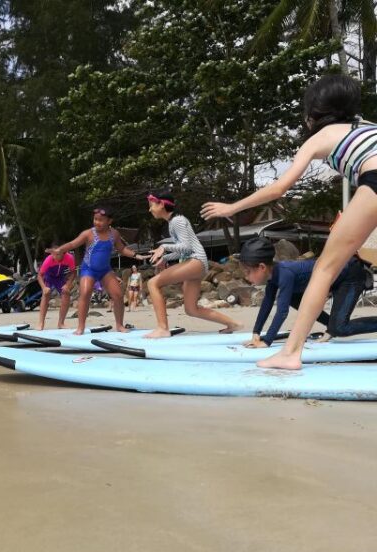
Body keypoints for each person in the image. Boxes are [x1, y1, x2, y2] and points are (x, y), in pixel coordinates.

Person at [201, 74, 377, 369]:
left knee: (325, 268)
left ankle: (290, 353)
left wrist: (232, 207)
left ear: (315, 113)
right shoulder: (367, 126)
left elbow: (278, 189)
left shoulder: (320, 136)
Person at [239, 237, 377, 348]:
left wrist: (267, 341)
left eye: (248, 272)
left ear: (262, 267)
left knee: (340, 328)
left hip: (351, 273)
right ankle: (332, 326)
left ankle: (333, 327)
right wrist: (256, 333)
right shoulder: (273, 277)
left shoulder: (285, 274)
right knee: (293, 298)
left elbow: (282, 312)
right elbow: (266, 305)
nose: (246, 277)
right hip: (335, 278)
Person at [146, 191, 242, 338]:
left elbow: (187, 247)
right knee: (191, 309)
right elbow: (183, 250)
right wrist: (166, 258)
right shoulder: (174, 222)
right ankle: (233, 324)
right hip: (196, 262)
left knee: (153, 284)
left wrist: (164, 247)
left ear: (162, 204)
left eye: (151, 205)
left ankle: (162, 328)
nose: (150, 209)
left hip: (195, 261)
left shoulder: (177, 221)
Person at [49, 205, 147, 335]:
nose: (97, 222)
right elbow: (73, 244)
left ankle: (119, 325)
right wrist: (60, 249)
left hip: (105, 270)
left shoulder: (114, 234)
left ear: (109, 221)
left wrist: (136, 255)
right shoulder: (88, 234)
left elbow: (122, 249)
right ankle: (81, 327)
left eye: (100, 220)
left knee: (118, 295)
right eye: (95, 219)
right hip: (88, 269)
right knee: (85, 293)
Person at [36, 243, 76, 330]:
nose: (55, 256)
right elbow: (39, 275)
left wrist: (68, 285)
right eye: (53, 254)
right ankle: (41, 323)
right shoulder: (48, 260)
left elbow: (73, 272)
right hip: (49, 277)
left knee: (66, 293)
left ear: (63, 253)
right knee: (46, 294)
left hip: (59, 277)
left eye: (57, 254)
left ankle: (61, 323)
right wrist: (44, 288)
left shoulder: (69, 258)